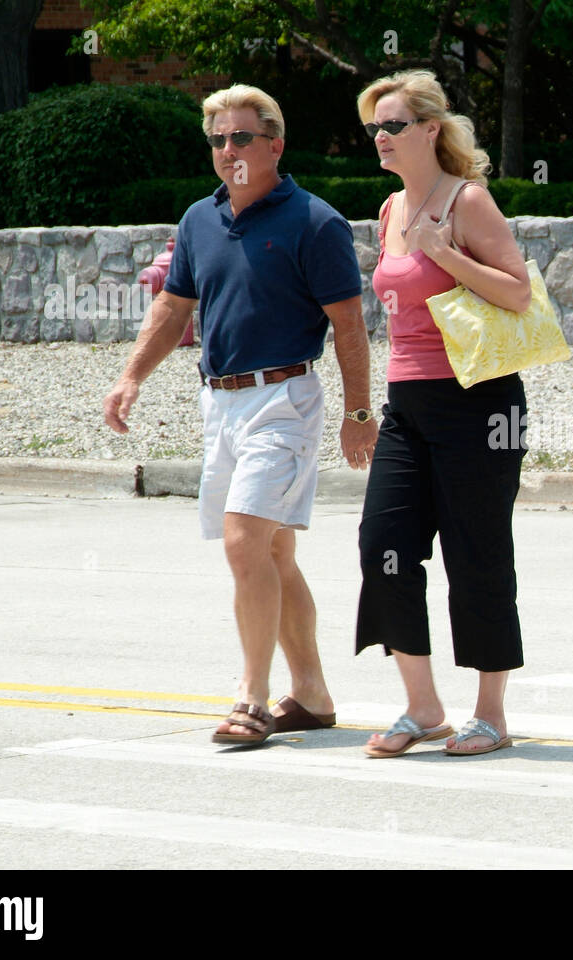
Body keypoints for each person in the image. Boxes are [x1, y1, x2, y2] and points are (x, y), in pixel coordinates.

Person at [102, 84, 377, 746]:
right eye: (219, 140)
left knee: (243, 542)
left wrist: (359, 411)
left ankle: (251, 698)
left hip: (284, 401)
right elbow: (173, 308)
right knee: (275, 552)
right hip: (218, 401)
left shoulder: (316, 222)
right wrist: (131, 376)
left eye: (243, 138)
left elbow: (349, 326)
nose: (230, 151)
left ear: (275, 145)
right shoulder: (200, 219)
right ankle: (310, 694)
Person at [354, 69, 532, 758]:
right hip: (410, 403)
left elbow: (517, 294)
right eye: (374, 128)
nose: (381, 138)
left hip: (479, 401)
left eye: (393, 125)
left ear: (431, 129)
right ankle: (422, 707)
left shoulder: (469, 202)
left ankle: (490, 713)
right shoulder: (390, 210)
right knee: (383, 546)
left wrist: (444, 254)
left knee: (477, 552)